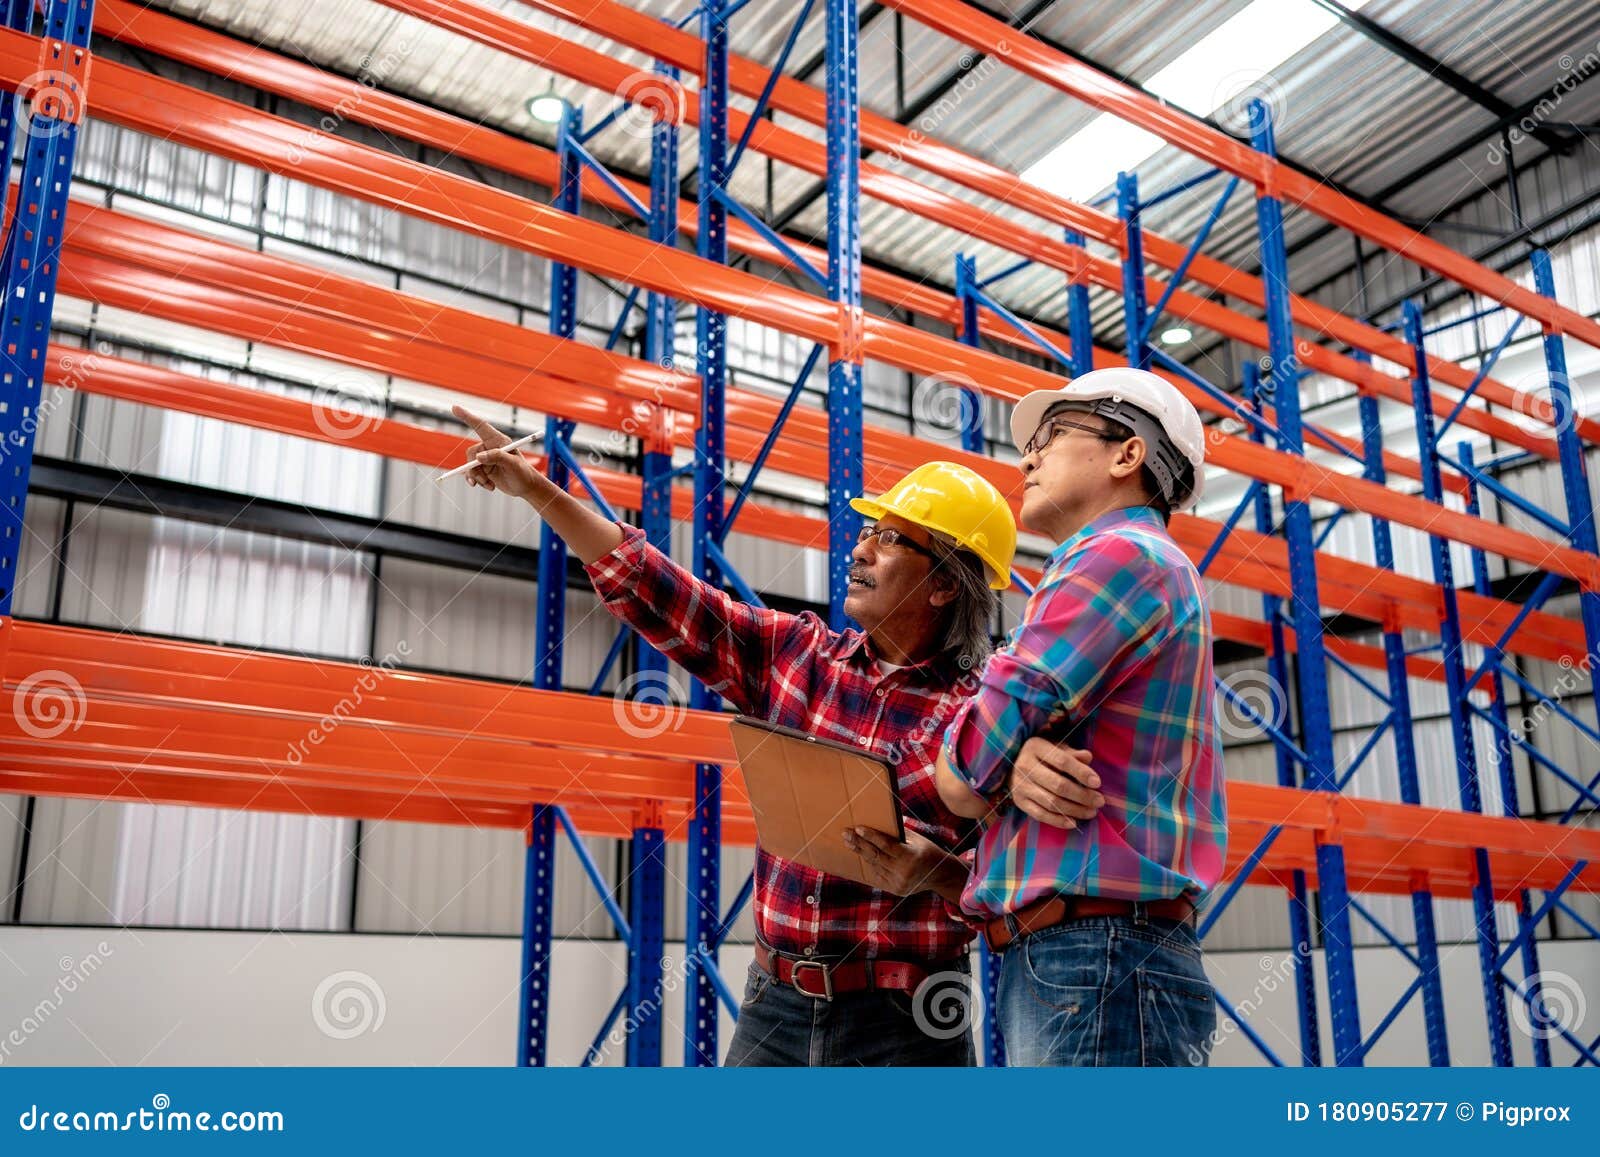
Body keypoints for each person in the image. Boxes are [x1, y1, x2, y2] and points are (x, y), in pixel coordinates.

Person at [451, 405, 1104, 1066]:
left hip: (908, 1024)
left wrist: (936, 873)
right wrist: (535, 488)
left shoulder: (991, 713)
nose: (860, 550)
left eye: (890, 539)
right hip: (775, 1008)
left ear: (943, 585)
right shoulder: (797, 656)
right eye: (867, 532)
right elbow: (651, 584)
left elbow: (1028, 890)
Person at [934, 366, 1229, 1067]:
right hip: (1094, 957)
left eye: (1052, 437)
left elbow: (966, 769)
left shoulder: (1115, 555)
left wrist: (993, 767)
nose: (1026, 460)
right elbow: (990, 759)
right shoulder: (1135, 562)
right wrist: (1012, 770)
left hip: (1095, 957)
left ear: (1128, 454)